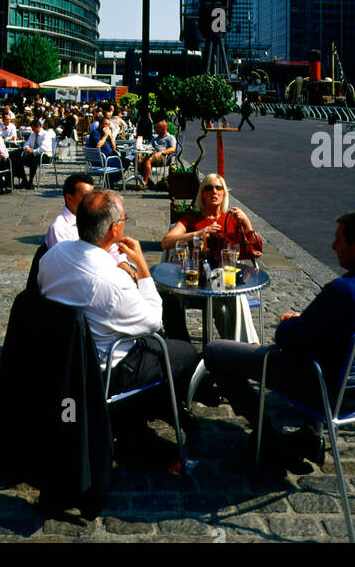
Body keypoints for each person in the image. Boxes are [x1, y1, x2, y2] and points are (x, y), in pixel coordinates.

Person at [203, 210, 355, 471]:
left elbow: (286, 338)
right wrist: (309, 322)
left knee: (215, 351)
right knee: (325, 347)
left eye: (339, 240)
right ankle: (310, 434)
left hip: (326, 392)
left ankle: (267, 436)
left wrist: (291, 321)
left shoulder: (342, 292)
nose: (333, 246)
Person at [38, 190, 198, 425]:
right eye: (124, 219)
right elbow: (153, 322)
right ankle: (150, 410)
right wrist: (143, 267)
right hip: (107, 370)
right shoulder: (112, 280)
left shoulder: (53, 255)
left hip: (63, 359)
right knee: (186, 353)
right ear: (114, 229)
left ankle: (155, 406)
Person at [160, 174, 256, 343]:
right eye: (209, 187)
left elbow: (254, 252)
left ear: (224, 194)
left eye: (219, 188)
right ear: (202, 194)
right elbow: (166, 242)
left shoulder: (231, 220)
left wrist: (247, 225)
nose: (214, 191)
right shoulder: (191, 219)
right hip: (195, 285)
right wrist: (197, 234)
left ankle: (243, 347)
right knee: (227, 298)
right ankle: (245, 348)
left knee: (229, 299)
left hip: (224, 282)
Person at [44, 171, 96, 248]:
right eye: (87, 196)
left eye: (93, 196)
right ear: (69, 199)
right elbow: (67, 259)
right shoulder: (59, 229)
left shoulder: (94, 219)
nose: (92, 201)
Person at [138, 120, 176, 187]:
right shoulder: (155, 138)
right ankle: (149, 182)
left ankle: (145, 182)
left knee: (148, 160)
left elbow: (173, 149)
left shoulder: (170, 137)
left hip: (163, 157)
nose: (156, 129)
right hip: (152, 155)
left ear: (163, 129)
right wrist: (140, 153)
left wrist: (162, 152)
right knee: (136, 160)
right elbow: (148, 147)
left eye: (158, 128)